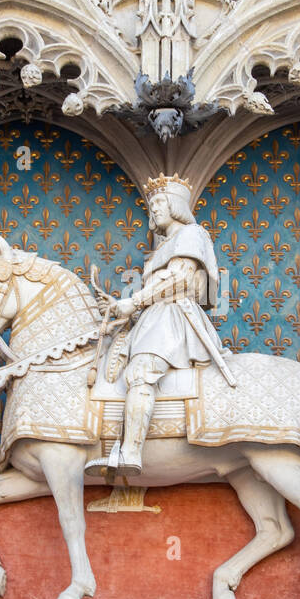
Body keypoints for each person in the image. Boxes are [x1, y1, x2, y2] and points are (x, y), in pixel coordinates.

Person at [85, 173, 229, 476]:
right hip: (155, 317)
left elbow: (180, 279)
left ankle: (130, 452)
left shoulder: (192, 234)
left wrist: (134, 301)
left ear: (176, 205)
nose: (154, 209)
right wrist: (120, 308)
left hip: (174, 317)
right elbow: (151, 293)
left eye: (160, 202)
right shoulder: (166, 244)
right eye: (151, 205)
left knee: (141, 372)